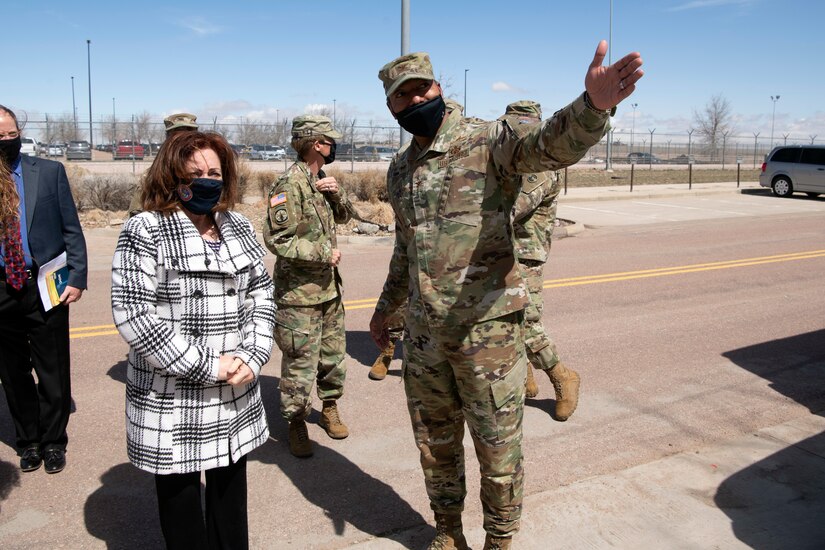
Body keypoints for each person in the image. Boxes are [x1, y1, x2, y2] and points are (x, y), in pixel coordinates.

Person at [369, 42, 642, 549]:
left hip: (487, 334)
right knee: (436, 446)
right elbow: (405, 248)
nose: (413, 100)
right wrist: (386, 309)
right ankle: (447, 532)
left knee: (498, 450)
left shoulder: (488, 140)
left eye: (420, 89)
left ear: (438, 87)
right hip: (427, 341)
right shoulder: (400, 169)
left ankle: (499, 540)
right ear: (391, 107)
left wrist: (592, 107)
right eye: (401, 97)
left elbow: (548, 146)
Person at [111, 131, 275, 549]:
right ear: (173, 176)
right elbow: (134, 315)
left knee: (229, 503)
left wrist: (252, 356)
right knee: (182, 507)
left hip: (234, 390)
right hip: (174, 394)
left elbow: (261, 294)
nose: (206, 180)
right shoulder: (145, 229)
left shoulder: (237, 225)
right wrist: (209, 364)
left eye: (214, 172)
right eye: (195, 172)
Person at [0, 105, 87, 475]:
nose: (7, 140)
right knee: (13, 372)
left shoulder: (49, 173)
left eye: (10, 133)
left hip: (45, 284)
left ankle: (53, 441)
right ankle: (29, 441)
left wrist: (78, 277)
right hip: (2, 288)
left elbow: (71, 228)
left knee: (53, 368)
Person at [263, 115, 352, 458]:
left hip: (329, 291)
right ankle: (296, 420)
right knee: (300, 361)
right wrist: (324, 253)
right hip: (299, 296)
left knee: (332, 357)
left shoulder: (320, 180)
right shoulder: (288, 185)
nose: (333, 146)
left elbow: (344, 218)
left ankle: (330, 406)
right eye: (330, 140)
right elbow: (278, 239)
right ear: (317, 144)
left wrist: (337, 194)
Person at [501, 100, 579, 420]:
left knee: (525, 321)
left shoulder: (540, 164)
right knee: (508, 322)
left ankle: (562, 376)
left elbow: (513, 208)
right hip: (503, 251)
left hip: (524, 254)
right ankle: (526, 377)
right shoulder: (514, 159)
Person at [127, 113, 199, 217]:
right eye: (178, 135)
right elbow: (135, 214)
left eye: (189, 134)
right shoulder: (152, 176)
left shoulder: (208, 171)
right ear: (169, 139)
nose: (184, 140)